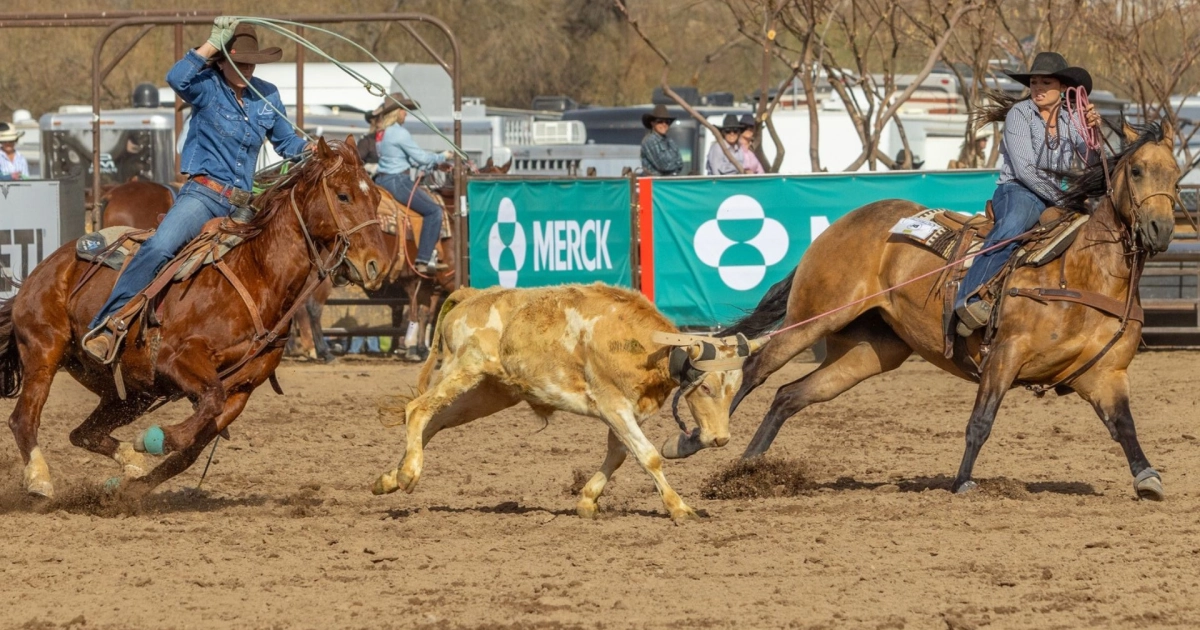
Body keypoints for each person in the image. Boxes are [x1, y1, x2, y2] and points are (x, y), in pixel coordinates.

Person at [84, 19, 310, 361]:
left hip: (244, 206)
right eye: (239, 62)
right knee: (160, 247)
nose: (246, 69)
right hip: (203, 196)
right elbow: (176, 77)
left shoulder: (267, 96)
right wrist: (210, 43)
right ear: (222, 61)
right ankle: (109, 324)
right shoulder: (206, 86)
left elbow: (287, 141)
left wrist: (309, 149)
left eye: (251, 63)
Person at [954, 51, 1102, 335]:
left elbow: (1092, 164)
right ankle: (968, 298)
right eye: (1034, 82)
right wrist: (1065, 199)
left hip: (1055, 195)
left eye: (1045, 82)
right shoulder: (1019, 114)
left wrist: (1093, 135)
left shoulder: (1073, 120)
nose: (1038, 88)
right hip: (1017, 190)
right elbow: (1024, 170)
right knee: (1011, 227)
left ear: (1062, 88)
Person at [370, 93, 453, 275]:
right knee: (434, 211)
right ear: (396, 112)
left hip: (382, 179)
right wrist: (443, 156)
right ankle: (424, 259)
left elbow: (410, 159)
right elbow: (421, 157)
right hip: (397, 180)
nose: (405, 114)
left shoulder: (383, 134)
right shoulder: (399, 133)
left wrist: (431, 162)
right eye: (403, 110)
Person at [639, 104, 684, 176]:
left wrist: (673, 165)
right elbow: (664, 166)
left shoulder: (670, 141)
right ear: (652, 123)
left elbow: (681, 163)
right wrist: (675, 164)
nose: (664, 124)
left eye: (667, 122)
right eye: (660, 121)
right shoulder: (649, 141)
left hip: (667, 183)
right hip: (653, 184)